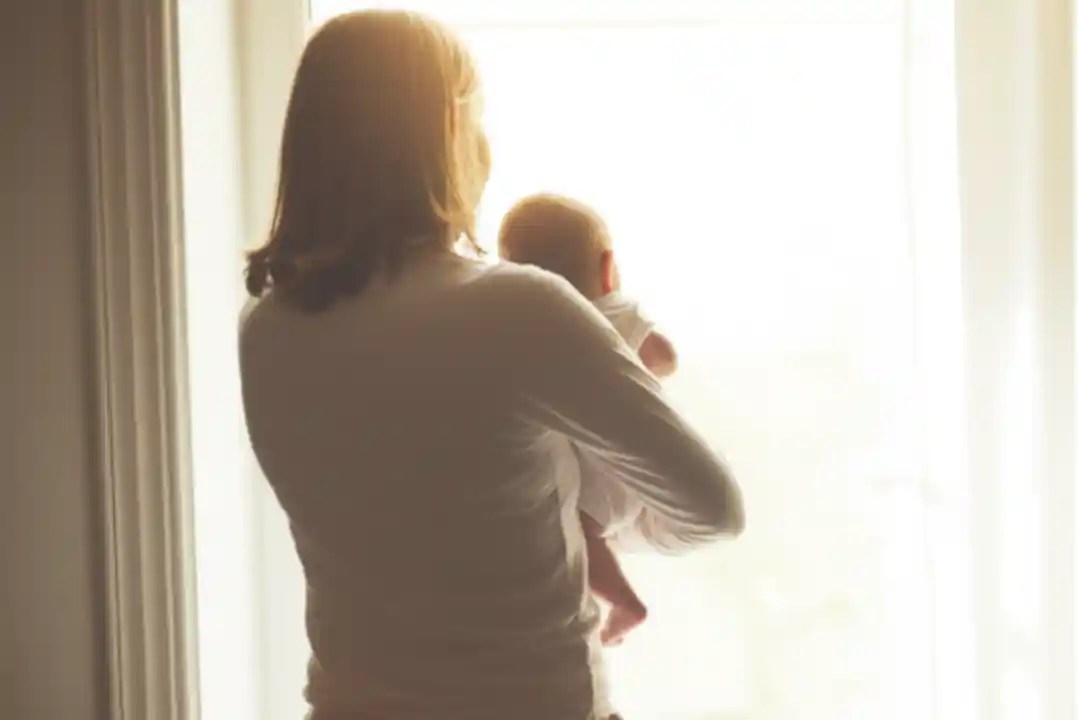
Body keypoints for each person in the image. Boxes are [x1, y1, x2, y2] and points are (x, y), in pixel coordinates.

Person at [237, 10, 744, 720]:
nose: (487, 143)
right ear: (440, 134)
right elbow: (712, 508)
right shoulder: (517, 309)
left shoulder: (265, 330)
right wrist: (583, 518)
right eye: (474, 115)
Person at [497, 193, 678, 646]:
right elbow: (666, 358)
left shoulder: (535, 331)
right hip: (643, 466)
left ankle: (625, 602)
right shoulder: (618, 315)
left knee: (576, 532)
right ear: (607, 267)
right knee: (595, 533)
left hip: (599, 475)